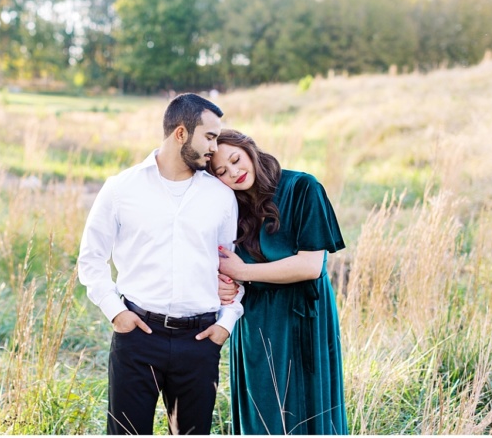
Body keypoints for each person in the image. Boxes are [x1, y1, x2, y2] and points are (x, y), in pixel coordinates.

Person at [77, 93, 244, 435]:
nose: (215, 147)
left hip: (200, 341)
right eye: (209, 137)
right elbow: (91, 257)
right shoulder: (121, 188)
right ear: (181, 133)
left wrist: (227, 322)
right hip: (137, 337)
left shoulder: (221, 197)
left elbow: (230, 267)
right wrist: (115, 312)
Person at [208, 129, 348, 435]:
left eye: (236, 159)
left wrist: (242, 272)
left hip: (302, 317)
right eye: (222, 171)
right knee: (263, 410)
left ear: (250, 150)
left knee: (307, 407)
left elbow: (310, 265)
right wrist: (225, 284)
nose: (234, 172)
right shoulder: (228, 204)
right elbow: (220, 264)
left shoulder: (302, 187)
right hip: (255, 319)